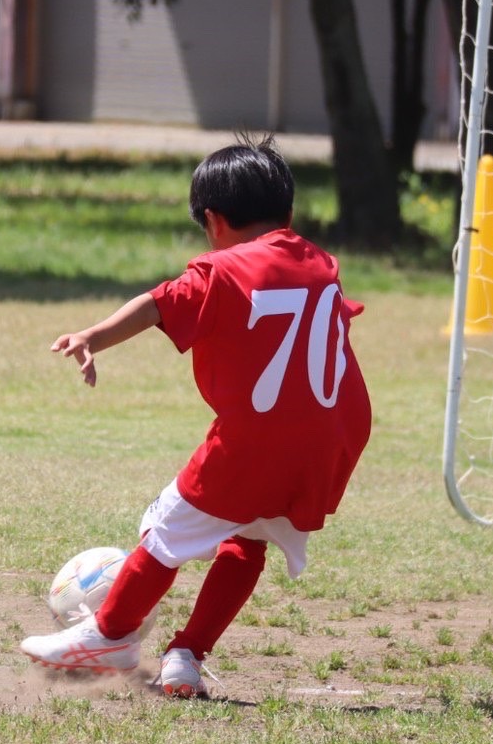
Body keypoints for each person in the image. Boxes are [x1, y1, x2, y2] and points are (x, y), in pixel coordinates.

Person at [19, 137, 373, 697]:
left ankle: (111, 634)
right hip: (334, 436)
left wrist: (93, 336)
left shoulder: (220, 269)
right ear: (287, 213)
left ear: (212, 221)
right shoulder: (319, 263)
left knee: (163, 533)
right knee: (247, 536)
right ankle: (186, 655)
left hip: (255, 440)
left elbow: (159, 303)